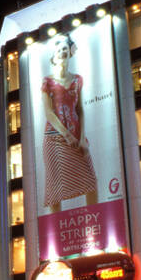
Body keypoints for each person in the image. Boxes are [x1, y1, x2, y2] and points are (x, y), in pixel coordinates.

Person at [40, 35, 98, 213]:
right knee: (55, 189)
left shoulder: (77, 80)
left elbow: (79, 109)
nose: (62, 52)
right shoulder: (47, 82)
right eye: (59, 50)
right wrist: (66, 135)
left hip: (76, 137)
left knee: (91, 181)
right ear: (53, 56)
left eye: (65, 48)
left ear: (69, 53)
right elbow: (48, 113)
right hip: (54, 139)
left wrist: (81, 138)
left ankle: (94, 219)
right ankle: (56, 231)